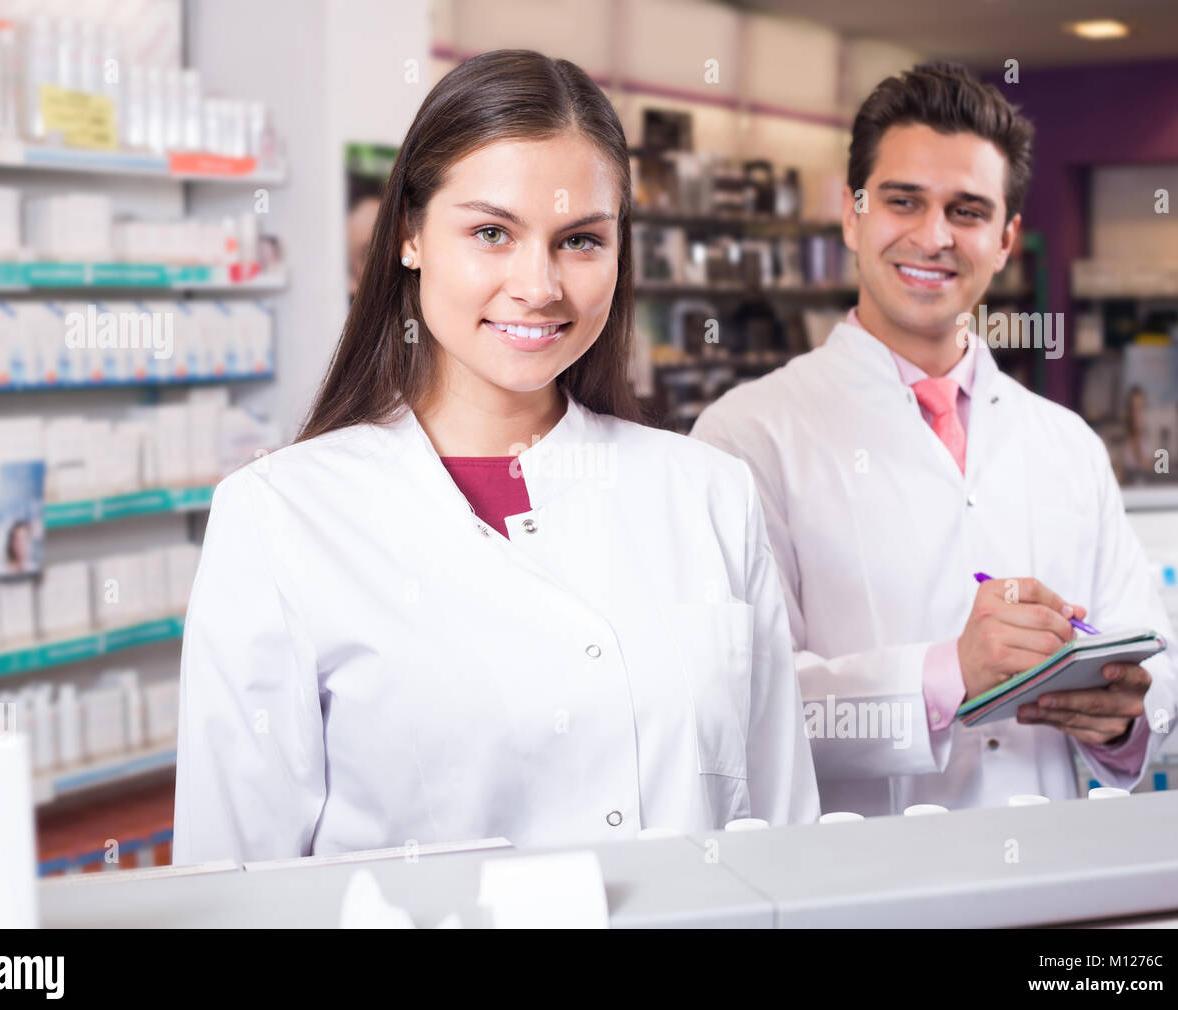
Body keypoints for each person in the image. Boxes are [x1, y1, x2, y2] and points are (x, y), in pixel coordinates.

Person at [174, 49, 819, 865]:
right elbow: (233, 883)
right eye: (491, 232)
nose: (538, 284)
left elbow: (788, 842)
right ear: (408, 233)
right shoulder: (280, 516)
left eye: (580, 240)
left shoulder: (709, 494)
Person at [691, 61, 1178, 816]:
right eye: (903, 201)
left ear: (1006, 238)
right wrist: (951, 673)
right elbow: (744, 706)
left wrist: (1124, 716)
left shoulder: (1066, 443)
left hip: (1047, 882)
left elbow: (1151, 651)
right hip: (865, 892)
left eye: (967, 209)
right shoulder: (745, 437)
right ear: (853, 215)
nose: (933, 236)